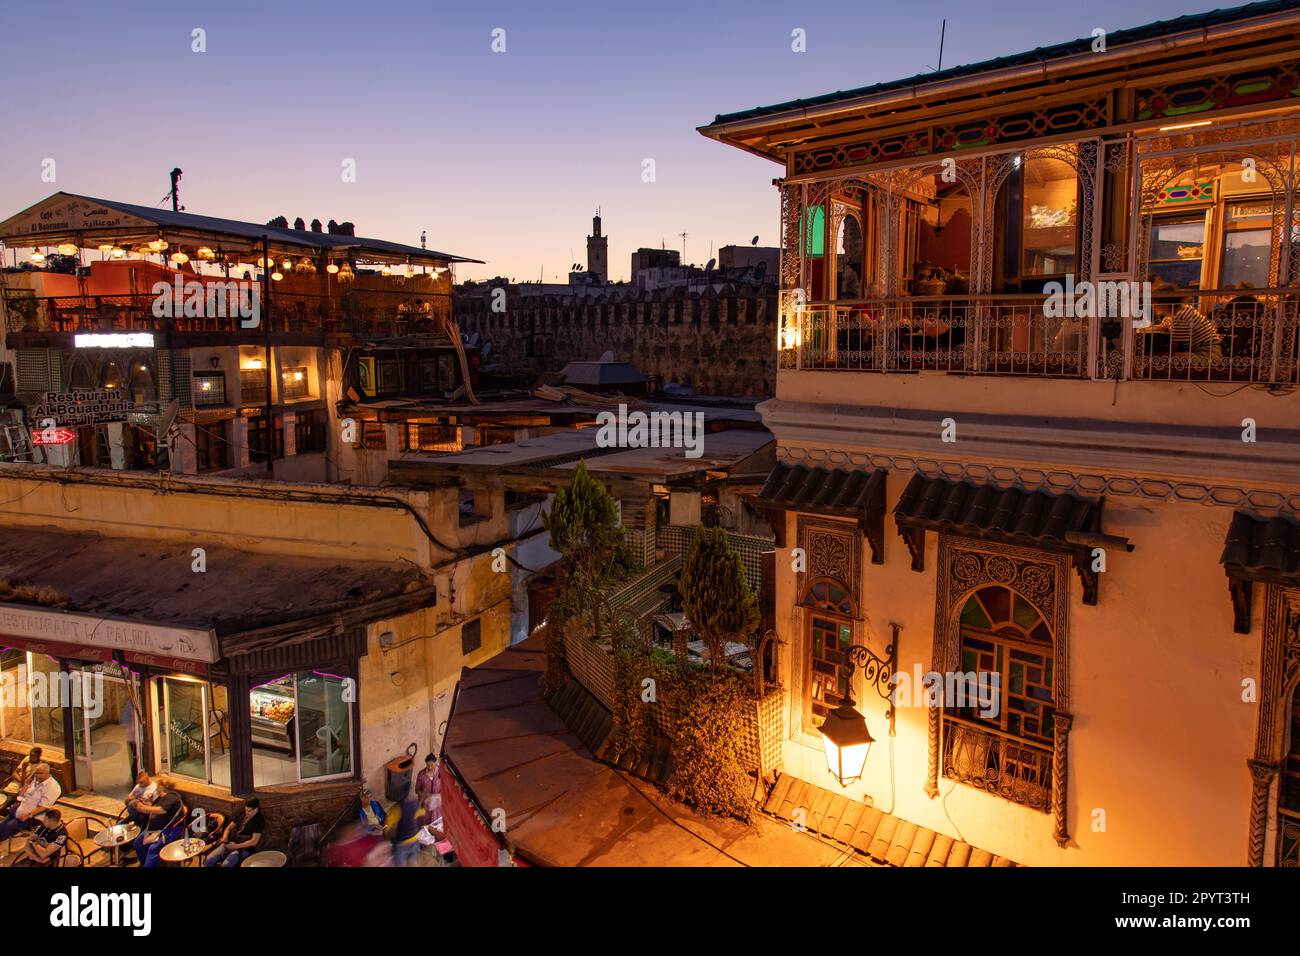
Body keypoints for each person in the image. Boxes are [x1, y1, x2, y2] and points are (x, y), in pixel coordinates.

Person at [132, 777, 185, 867]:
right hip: (154, 829)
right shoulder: (160, 798)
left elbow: (161, 810)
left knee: (153, 848)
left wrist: (143, 807)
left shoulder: (172, 796)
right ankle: (145, 863)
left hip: (168, 830)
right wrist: (140, 805)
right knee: (138, 842)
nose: (156, 787)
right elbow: (150, 810)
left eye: (158, 786)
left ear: (162, 787)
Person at [0, 763, 61, 842]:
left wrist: (27, 815)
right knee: (1, 825)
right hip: (20, 809)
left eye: (40, 773)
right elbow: (21, 794)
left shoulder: (53, 787)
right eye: (36, 773)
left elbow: (44, 807)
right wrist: (26, 783)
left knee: (6, 829)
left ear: (48, 773)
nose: (37, 775)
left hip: (31, 817)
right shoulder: (34, 780)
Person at [203, 798, 264, 867]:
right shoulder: (242, 814)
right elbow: (229, 828)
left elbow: (254, 841)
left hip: (243, 848)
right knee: (208, 860)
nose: (246, 813)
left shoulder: (259, 820)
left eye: (249, 811)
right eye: (246, 810)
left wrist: (235, 846)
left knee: (226, 865)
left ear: (256, 809)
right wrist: (225, 837)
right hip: (230, 843)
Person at [0, 747, 42, 817]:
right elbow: (14, 773)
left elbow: (25, 784)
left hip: (18, 791)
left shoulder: (39, 767)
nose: (31, 757)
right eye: (30, 755)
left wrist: (23, 769)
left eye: (33, 756)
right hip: (10, 786)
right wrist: (20, 778)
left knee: (3, 805)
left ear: (38, 756)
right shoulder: (27, 759)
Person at [386, 793, 422, 867]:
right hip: (415, 840)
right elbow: (421, 812)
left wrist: (389, 839)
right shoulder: (414, 805)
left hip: (402, 844)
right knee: (413, 863)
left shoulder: (395, 809)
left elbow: (387, 829)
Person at [415, 753, 442, 823]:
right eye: (427, 765)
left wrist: (436, 796)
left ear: (435, 763)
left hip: (438, 804)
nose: (429, 767)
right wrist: (427, 795)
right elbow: (417, 790)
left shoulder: (441, 773)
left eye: (432, 765)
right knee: (425, 823)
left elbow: (446, 787)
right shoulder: (421, 774)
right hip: (425, 804)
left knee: (436, 823)